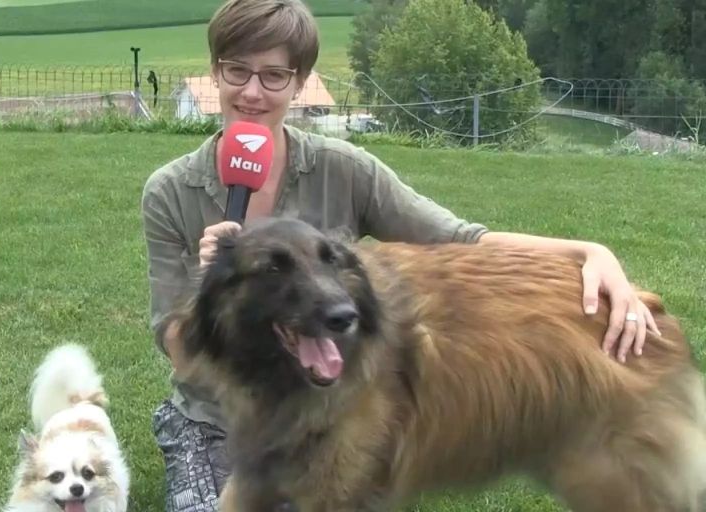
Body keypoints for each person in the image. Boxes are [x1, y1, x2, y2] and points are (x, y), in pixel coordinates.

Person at [140, 1, 661, 510]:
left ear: (299, 84)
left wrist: (590, 251)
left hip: (330, 411)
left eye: (274, 76)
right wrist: (208, 281)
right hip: (214, 417)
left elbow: (459, 238)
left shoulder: (344, 169)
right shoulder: (169, 191)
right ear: (215, 72)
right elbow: (185, 357)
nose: (252, 92)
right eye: (238, 71)